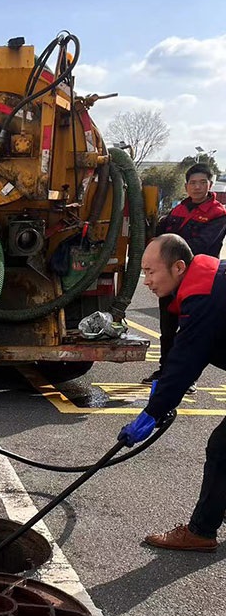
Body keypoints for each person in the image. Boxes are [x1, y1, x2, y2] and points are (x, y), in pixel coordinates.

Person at [119, 233, 226, 551]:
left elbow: (185, 364)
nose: (147, 281)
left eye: (151, 272)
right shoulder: (208, 282)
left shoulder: (204, 297)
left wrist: (152, 413)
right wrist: (163, 392)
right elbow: (183, 354)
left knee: (222, 447)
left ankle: (201, 532)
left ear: (178, 267)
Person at [142, 163, 226, 388]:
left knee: (193, 332)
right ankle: (164, 371)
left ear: (210, 185)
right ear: (186, 186)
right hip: (171, 279)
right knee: (167, 330)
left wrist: (166, 249)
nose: (197, 187)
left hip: (200, 282)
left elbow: (201, 245)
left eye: (202, 182)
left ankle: (188, 378)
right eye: (192, 183)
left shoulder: (217, 214)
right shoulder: (178, 211)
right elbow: (159, 237)